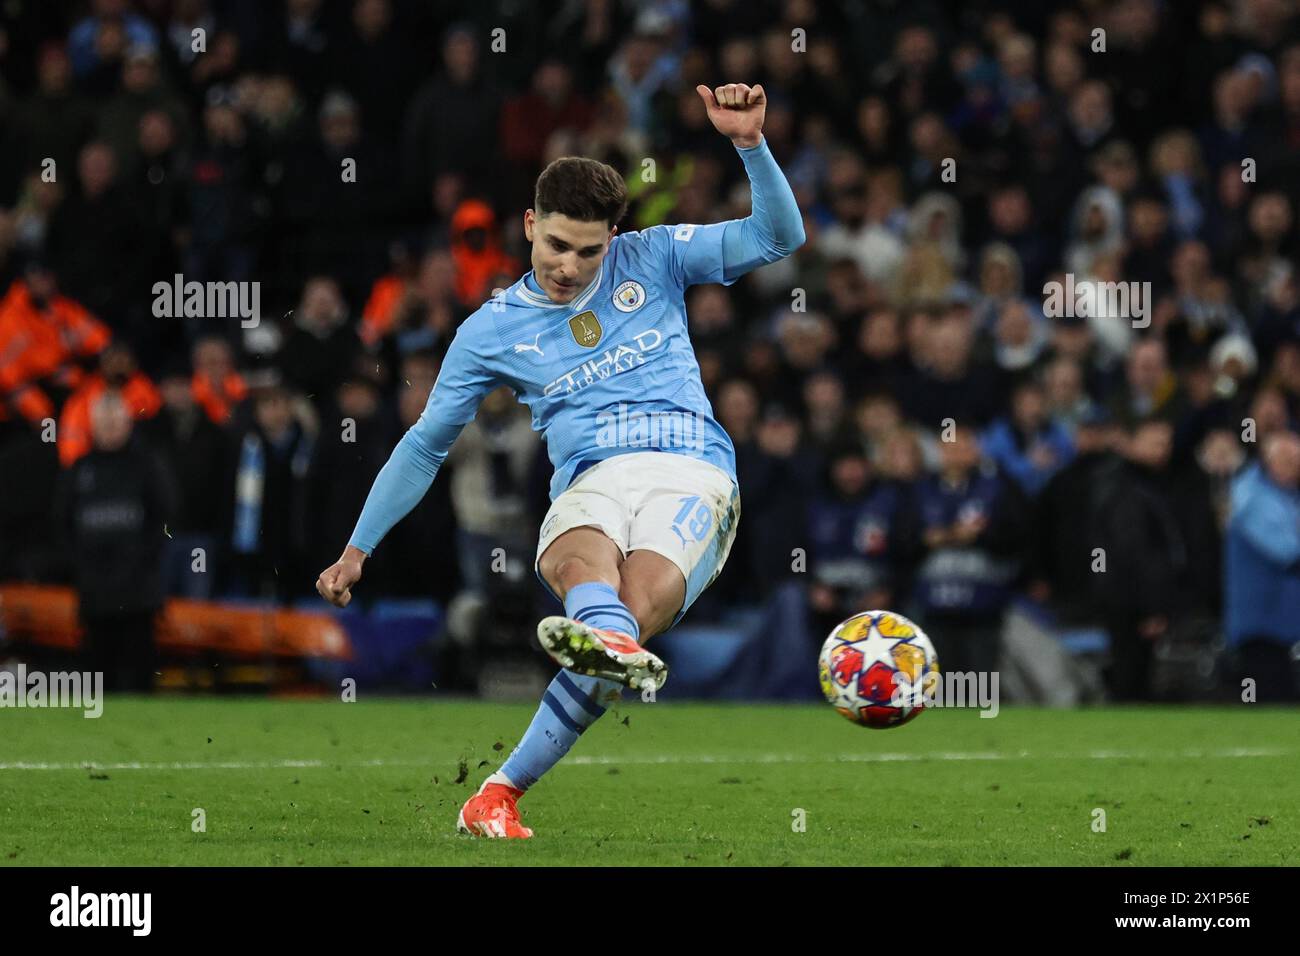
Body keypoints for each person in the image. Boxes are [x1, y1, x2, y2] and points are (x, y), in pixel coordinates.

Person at [316, 83, 804, 838]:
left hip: (693, 468)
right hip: (591, 476)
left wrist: (749, 144)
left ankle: (503, 784)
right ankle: (584, 662)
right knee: (584, 565)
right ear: (529, 225)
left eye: (588, 250)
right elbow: (424, 444)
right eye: (555, 246)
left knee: (630, 617)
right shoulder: (490, 331)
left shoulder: (659, 256)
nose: (570, 266)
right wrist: (356, 550)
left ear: (614, 235)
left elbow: (778, 237)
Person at [1223, 430, 1300, 701]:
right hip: (1262, 622)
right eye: (1289, 461)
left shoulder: (1286, 495)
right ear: (1269, 461)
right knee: (1270, 700)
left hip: (1283, 621)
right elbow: (1287, 551)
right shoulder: (1252, 497)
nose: (1295, 468)